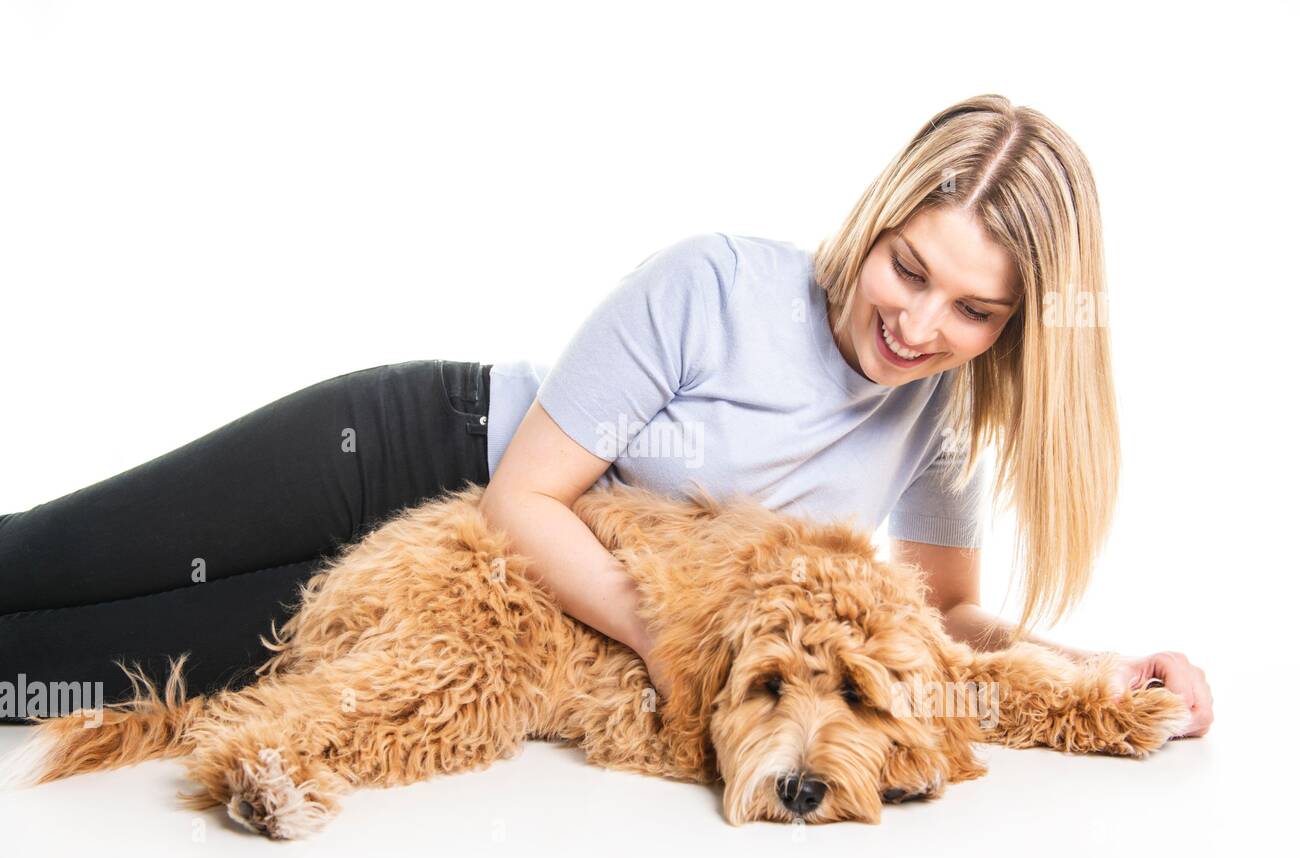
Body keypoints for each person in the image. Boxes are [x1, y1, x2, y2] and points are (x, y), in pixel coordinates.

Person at [0, 93, 1213, 736]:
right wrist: (680, 645)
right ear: (876, 217)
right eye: (907, 269)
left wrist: (1090, 671)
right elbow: (523, 494)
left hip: (467, 601)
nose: (917, 326)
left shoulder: (939, 412)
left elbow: (938, 617)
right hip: (408, 460)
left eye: (972, 312)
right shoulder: (718, 282)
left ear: (1017, 328)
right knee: (43, 561)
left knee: (65, 670)